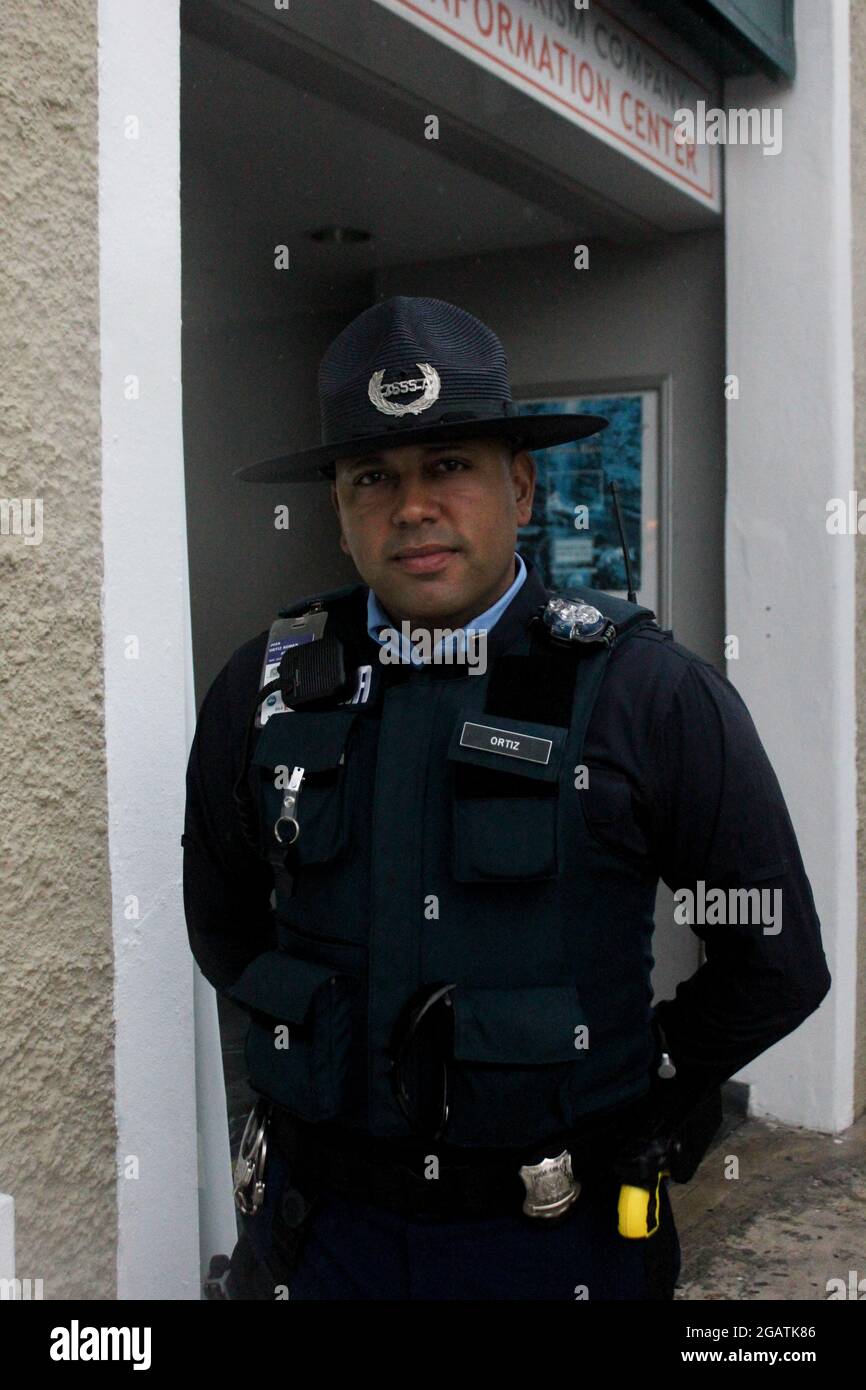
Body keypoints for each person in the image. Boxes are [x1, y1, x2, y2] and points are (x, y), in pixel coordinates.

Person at [184, 295, 831, 1301]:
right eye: (373, 478)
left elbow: (775, 958)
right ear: (338, 511)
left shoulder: (642, 691)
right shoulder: (265, 681)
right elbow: (222, 925)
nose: (411, 507)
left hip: (551, 1244)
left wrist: (637, 1075)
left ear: (520, 486)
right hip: (320, 1234)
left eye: (448, 466)